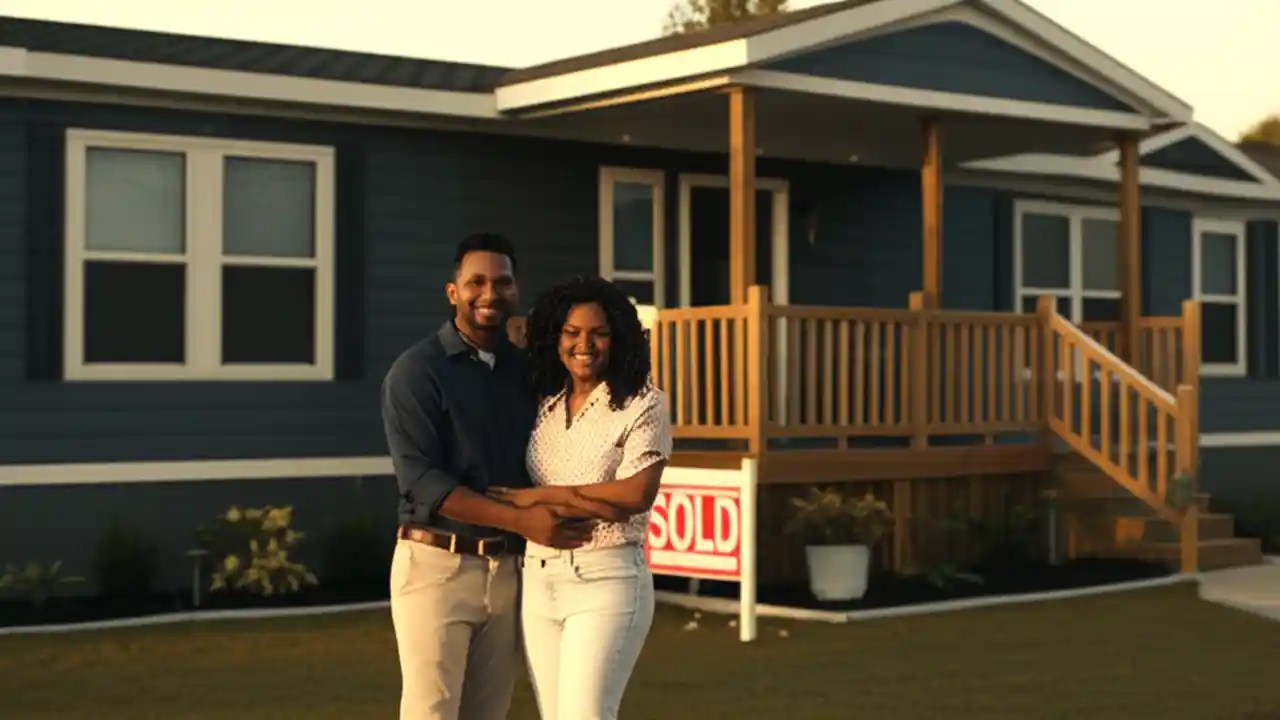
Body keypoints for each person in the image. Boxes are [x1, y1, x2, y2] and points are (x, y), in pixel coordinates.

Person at [380, 233, 595, 720]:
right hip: (436, 566)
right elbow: (422, 481)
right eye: (475, 282)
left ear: (516, 291)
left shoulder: (525, 372)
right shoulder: (417, 372)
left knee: (488, 713)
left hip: (507, 573)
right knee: (431, 712)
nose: (489, 293)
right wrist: (522, 521)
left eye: (502, 282)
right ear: (452, 291)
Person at [488, 275, 673, 720]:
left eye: (599, 332)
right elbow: (612, 496)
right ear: (556, 337)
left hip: (606, 580)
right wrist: (594, 499)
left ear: (619, 338)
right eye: (571, 332)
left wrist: (546, 497)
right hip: (540, 580)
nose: (584, 344)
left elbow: (634, 494)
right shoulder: (546, 403)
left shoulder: (642, 403)